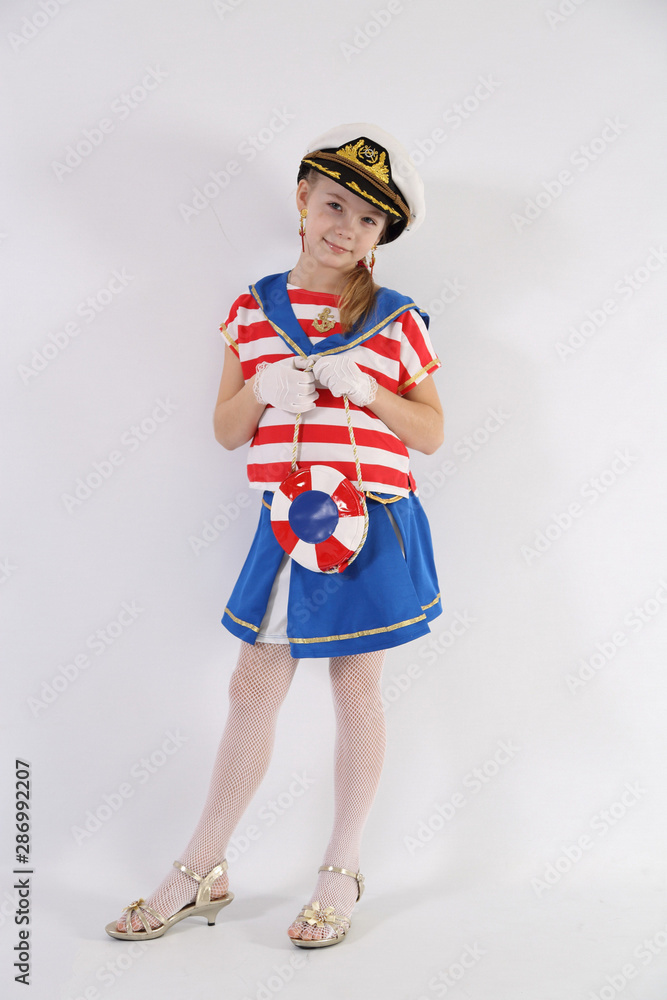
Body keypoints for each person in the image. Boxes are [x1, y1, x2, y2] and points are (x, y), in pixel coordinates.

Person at [106, 123, 444, 949]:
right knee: (253, 687)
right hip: (287, 523)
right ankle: (202, 865)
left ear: (381, 236)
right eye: (334, 204)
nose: (346, 228)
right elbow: (226, 431)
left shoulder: (395, 321)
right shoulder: (251, 310)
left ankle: (341, 866)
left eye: (368, 220)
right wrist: (262, 388)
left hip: (371, 523)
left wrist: (367, 391)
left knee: (355, 688)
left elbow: (430, 433)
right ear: (301, 200)